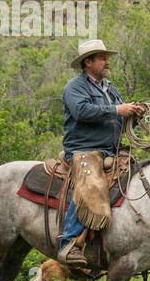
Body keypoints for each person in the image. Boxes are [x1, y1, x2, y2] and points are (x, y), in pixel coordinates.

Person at [59, 39, 145, 267]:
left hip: (111, 150)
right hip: (84, 150)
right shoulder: (75, 87)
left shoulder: (111, 90)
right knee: (91, 183)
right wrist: (118, 109)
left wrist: (132, 116)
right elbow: (81, 111)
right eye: (102, 58)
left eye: (107, 58)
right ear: (88, 62)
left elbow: (118, 121)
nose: (108, 62)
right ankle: (68, 244)